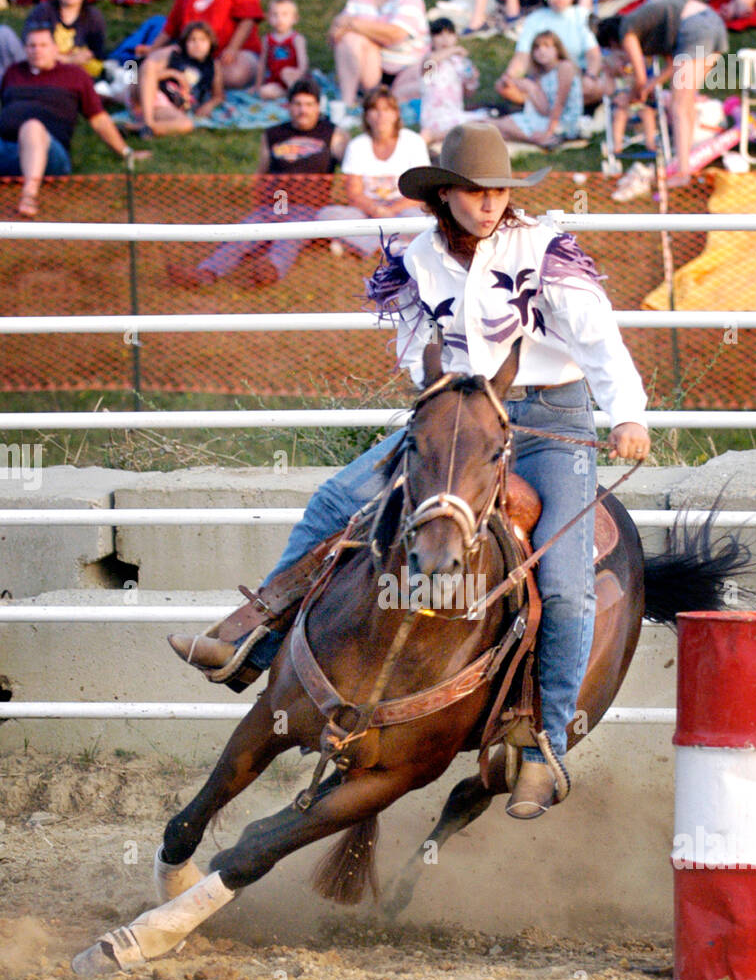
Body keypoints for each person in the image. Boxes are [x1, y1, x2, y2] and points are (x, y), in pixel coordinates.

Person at [169, 122, 651, 819]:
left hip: (550, 420)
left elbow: (598, 336)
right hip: (460, 416)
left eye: (498, 192)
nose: (490, 204)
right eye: (475, 192)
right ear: (445, 195)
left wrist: (627, 414)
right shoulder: (419, 258)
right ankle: (255, 634)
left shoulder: (541, 250)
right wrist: (440, 401)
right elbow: (412, 342)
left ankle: (545, 746)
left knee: (569, 583)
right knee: (338, 499)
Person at [171, 76, 347, 286]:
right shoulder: (273, 134)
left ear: (318, 107)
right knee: (243, 233)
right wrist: (261, 199)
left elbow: (351, 171)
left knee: (288, 238)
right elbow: (261, 172)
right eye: (298, 104)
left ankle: (269, 271)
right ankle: (205, 273)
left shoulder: (334, 133)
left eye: (309, 105)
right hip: (277, 202)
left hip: (310, 205)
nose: (303, 110)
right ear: (288, 106)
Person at [0, 24, 148, 217]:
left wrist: (126, 152)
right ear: (25, 48)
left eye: (43, 45)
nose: (37, 51)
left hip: (50, 154)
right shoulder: (14, 72)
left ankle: (29, 194)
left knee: (32, 127)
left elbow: (99, 119)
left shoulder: (75, 75)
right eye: (32, 46)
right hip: (8, 149)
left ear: (55, 49)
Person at [596, 0, 728, 186]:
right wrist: (651, 85)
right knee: (686, 105)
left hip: (695, 26)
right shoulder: (652, 34)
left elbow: (639, 76)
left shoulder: (627, 29)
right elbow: (672, 66)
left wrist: (633, 94)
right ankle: (684, 166)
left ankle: (682, 173)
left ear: (612, 42)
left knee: (679, 107)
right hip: (713, 24)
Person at [317, 84, 428, 256]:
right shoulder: (357, 145)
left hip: (403, 211)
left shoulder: (413, 142)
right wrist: (376, 210)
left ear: (396, 113)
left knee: (428, 220)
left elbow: (420, 193)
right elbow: (354, 194)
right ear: (367, 116)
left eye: (386, 109)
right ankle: (390, 245)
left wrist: (391, 211)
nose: (381, 116)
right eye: (375, 110)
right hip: (367, 212)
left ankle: (360, 243)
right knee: (326, 215)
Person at [135, 0, 263, 91]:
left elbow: (247, 19)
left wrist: (233, 49)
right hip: (192, 52)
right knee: (148, 62)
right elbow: (172, 25)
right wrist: (153, 48)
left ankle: (181, 80)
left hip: (232, 52)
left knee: (235, 75)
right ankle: (133, 83)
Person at [328, 0, 428, 107]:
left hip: (408, 67)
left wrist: (354, 24)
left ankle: (382, 101)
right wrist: (349, 29)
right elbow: (336, 34)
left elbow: (395, 34)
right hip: (372, 67)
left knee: (431, 77)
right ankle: (347, 104)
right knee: (350, 40)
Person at [497, 0, 607, 111]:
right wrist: (509, 76)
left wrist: (590, 76)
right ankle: (551, 111)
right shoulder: (534, 19)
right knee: (505, 87)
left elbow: (594, 55)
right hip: (542, 82)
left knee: (597, 87)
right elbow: (521, 57)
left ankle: (547, 111)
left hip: (576, 79)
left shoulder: (581, 15)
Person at [490, 29, 583, 147]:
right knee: (495, 128)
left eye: (547, 46)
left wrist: (549, 132)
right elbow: (544, 110)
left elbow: (560, 103)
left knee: (497, 126)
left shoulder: (565, 67)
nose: (541, 51)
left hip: (563, 122)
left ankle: (544, 139)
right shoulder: (541, 76)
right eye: (537, 48)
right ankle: (535, 139)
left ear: (557, 49)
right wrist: (530, 88)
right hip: (546, 119)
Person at [130, 20, 223, 138]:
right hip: (153, 97)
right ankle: (147, 122)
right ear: (185, 43)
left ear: (211, 43)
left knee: (186, 124)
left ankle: (139, 128)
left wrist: (208, 105)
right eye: (192, 40)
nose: (197, 44)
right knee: (147, 66)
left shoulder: (213, 65)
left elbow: (218, 96)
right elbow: (147, 76)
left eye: (203, 40)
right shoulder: (175, 56)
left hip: (169, 107)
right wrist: (173, 73)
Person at [25, 0, 106, 79]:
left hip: (80, 70)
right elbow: (30, 45)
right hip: (41, 66)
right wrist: (68, 59)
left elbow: (97, 51)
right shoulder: (42, 11)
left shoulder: (93, 16)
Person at [419, 16, 479, 145]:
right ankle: (432, 136)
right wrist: (454, 50)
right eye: (439, 35)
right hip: (434, 116)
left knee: (483, 123)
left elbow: (468, 93)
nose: (445, 39)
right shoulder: (429, 59)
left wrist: (472, 80)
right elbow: (430, 63)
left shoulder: (461, 63)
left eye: (449, 34)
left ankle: (437, 136)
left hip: (455, 112)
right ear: (431, 38)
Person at [255, 0, 309, 99]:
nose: (279, 19)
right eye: (275, 15)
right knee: (264, 92)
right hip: (276, 81)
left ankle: (298, 90)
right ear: (269, 18)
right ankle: (289, 94)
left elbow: (303, 61)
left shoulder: (296, 39)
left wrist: (300, 74)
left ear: (294, 19)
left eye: (284, 15)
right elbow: (262, 63)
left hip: (292, 77)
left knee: (286, 72)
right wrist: (257, 85)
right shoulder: (267, 39)